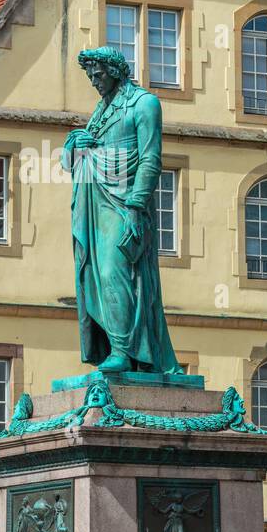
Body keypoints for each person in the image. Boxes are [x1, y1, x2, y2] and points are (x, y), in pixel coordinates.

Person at [62, 46, 182, 374]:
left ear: (114, 71)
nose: (94, 81)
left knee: (113, 272)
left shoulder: (144, 103)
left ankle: (123, 350)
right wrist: (74, 145)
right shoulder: (101, 110)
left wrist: (136, 206)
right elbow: (73, 159)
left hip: (125, 204)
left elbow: (150, 159)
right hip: (95, 203)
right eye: (90, 76)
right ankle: (115, 349)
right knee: (93, 274)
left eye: (98, 74)